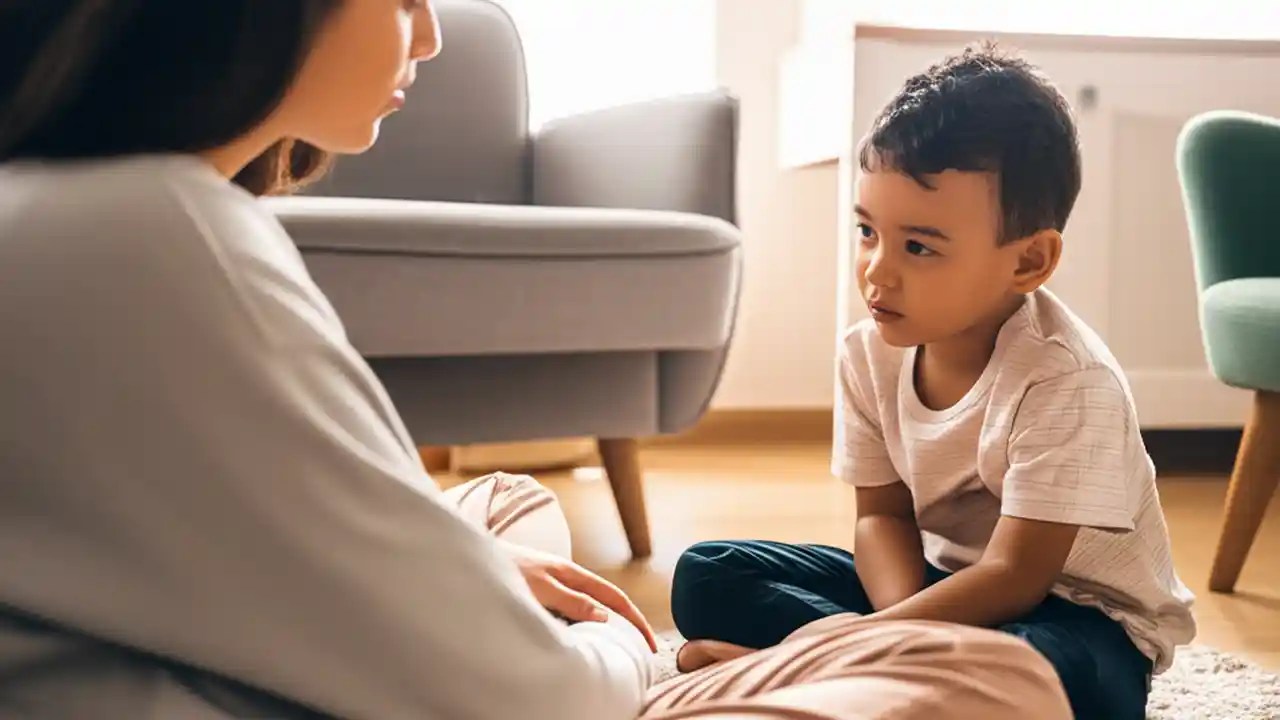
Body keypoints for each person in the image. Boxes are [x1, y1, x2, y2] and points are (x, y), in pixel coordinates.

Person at [0, 3, 1071, 718]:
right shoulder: (161, 234)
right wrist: (639, 660)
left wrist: (467, 574)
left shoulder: (70, 208)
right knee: (990, 679)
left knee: (502, 501)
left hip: (280, 627)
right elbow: (527, 702)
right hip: (511, 697)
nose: (427, 37)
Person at [671, 43, 1197, 720]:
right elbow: (880, 516)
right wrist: (894, 627)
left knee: (1052, 679)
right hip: (938, 589)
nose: (877, 272)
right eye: (867, 231)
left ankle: (818, 670)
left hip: (1077, 622)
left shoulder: (1068, 379)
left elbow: (1016, 576)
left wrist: (871, 638)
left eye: (918, 247)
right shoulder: (868, 354)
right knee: (709, 574)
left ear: (1030, 260)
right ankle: (874, 679)